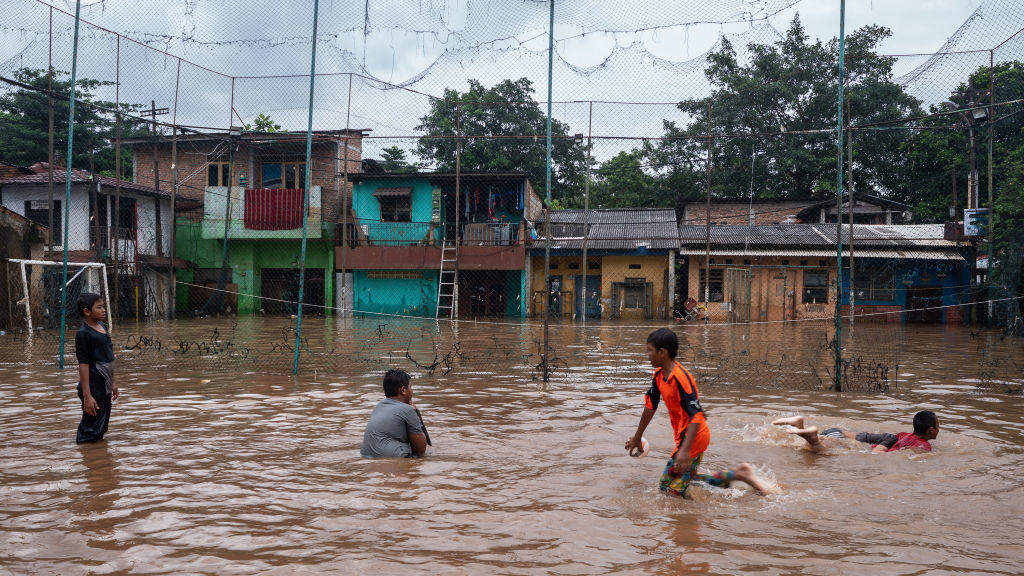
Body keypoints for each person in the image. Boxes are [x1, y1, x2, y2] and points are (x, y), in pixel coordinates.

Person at [626, 328, 767, 496]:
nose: (648, 355)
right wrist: (637, 436)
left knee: (669, 489)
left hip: (695, 437)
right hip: (683, 438)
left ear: (662, 352)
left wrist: (684, 451)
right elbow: (650, 406)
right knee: (682, 480)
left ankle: (690, 519)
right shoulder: (658, 376)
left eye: (650, 350)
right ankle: (738, 475)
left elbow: (697, 415)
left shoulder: (681, 378)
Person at [771, 411, 939, 453]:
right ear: (931, 430)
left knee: (801, 447)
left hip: (836, 432)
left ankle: (799, 425)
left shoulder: (903, 434)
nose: (939, 428)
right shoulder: (923, 446)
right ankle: (808, 433)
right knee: (819, 451)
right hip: (842, 440)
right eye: (938, 425)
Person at [75, 292, 117, 444]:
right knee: (89, 429)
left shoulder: (103, 327)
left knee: (101, 425)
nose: (104, 310)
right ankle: (88, 457)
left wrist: (112, 383)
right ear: (87, 311)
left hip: (104, 384)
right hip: (92, 387)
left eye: (104, 307)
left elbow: (109, 356)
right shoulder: (84, 334)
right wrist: (87, 396)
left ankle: (99, 458)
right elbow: (83, 364)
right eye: (99, 307)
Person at [361, 369, 430, 458]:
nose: (412, 391)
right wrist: (415, 412)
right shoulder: (408, 410)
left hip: (366, 455)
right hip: (394, 457)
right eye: (411, 387)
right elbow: (420, 450)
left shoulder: (378, 406)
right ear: (403, 390)